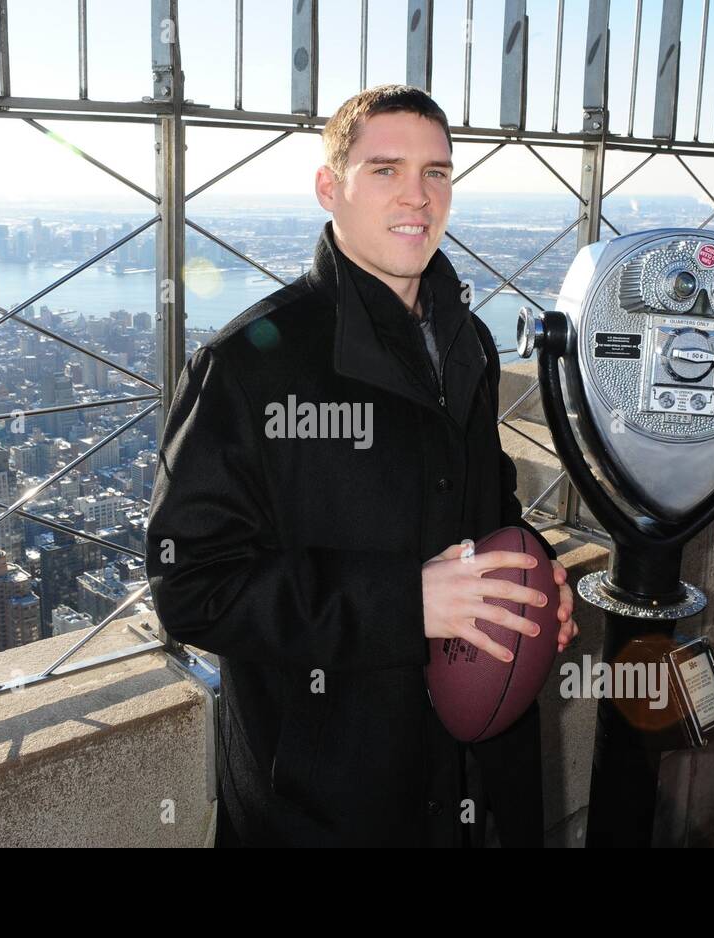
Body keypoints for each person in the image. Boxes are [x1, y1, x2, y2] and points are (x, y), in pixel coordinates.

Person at [146, 84, 578, 847]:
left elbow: (494, 511)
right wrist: (403, 604)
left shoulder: (467, 343)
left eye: (437, 172)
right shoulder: (246, 368)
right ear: (329, 187)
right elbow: (190, 585)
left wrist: (533, 577)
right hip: (327, 807)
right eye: (385, 170)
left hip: (476, 782)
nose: (418, 196)